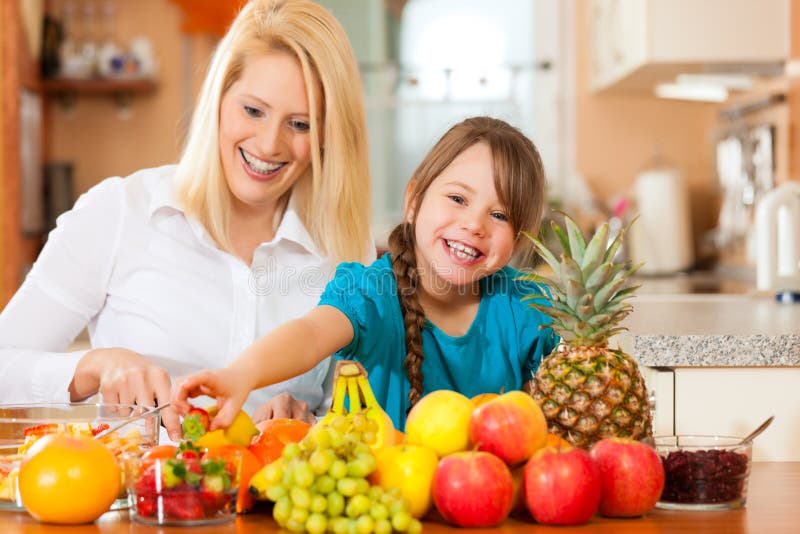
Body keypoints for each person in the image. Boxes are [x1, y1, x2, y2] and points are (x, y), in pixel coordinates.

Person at [0, 0, 373, 440]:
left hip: (268, 506)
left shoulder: (346, 250)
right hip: (136, 500)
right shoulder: (120, 212)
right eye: (253, 111)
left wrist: (311, 419)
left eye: (300, 124)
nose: (270, 143)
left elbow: (360, 414)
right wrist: (96, 366)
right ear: (218, 99)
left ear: (329, 135)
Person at [172, 116, 559, 430]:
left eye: (500, 215)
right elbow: (310, 333)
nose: (475, 224)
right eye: (457, 199)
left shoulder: (525, 309)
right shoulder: (371, 290)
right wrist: (241, 374)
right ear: (414, 201)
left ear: (520, 238)